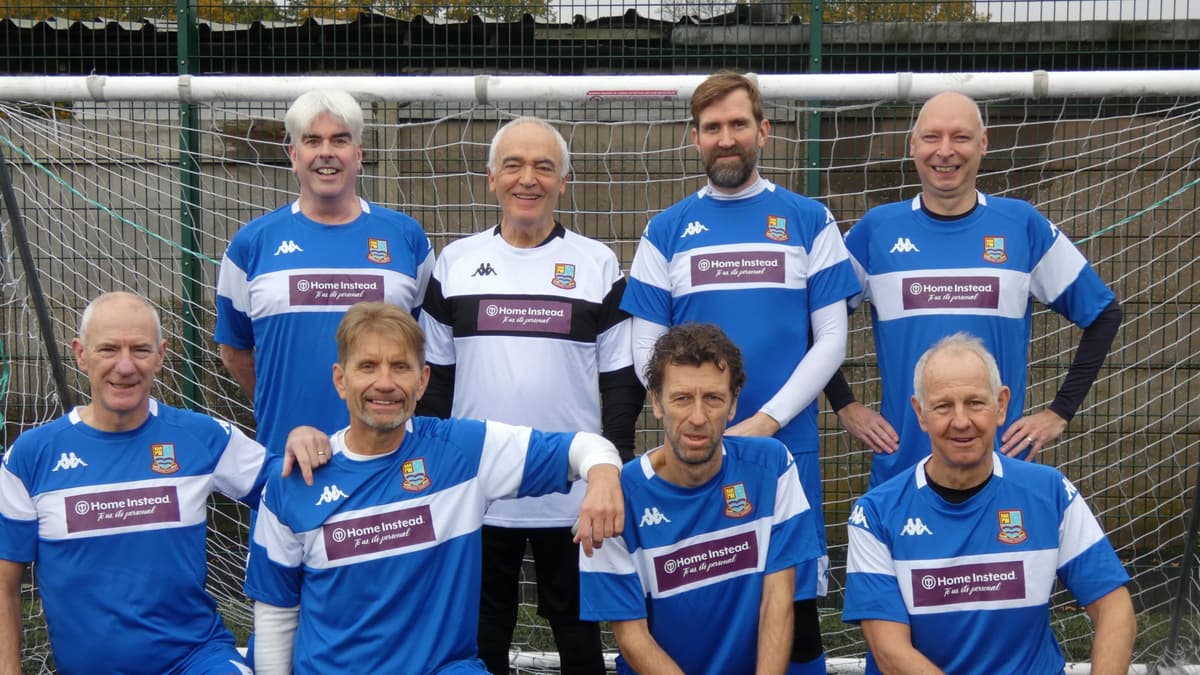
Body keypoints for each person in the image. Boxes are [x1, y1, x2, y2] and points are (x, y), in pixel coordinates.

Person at [620, 70, 861, 673]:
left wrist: (767, 421)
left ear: (764, 131)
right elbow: (643, 348)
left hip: (786, 450)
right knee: (697, 604)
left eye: (737, 124)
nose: (725, 138)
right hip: (695, 455)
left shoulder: (809, 219)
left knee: (793, 616)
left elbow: (832, 338)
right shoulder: (665, 230)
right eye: (712, 128)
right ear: (694, 139)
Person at [244, 302, 624, 674]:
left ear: (422, 380)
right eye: (367, 367)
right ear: (341, 380)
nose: (385, 383)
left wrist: (604, 477)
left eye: (400, 367)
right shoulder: (294, 483)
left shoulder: (463, 452)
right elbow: (276, 614)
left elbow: (583, 447)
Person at [417, 117, 644, 675]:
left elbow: (621, 379)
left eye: (544, 166)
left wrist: (606, 468)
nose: (528, 178)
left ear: (564, 180)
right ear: (491, 177)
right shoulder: (454, 264)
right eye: (514, 165)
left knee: (579, 637)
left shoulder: (599, 265)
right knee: (480, 634)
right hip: (477, 488)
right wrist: (434, 471)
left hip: (573, 493)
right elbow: (433, 382)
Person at [825, 91, 1122, 488]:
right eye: (931, 137)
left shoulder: (1021, 225)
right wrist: (846, 406)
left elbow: (1103, 314)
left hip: (1000, 470)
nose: (945, 151)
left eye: (960, 137)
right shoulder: (876, 231)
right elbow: (813, 321)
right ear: (913, 146)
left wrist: (1058, 413)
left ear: (984, 144)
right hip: (903, 471)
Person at [0, 292, 270, 675]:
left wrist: (306, 442)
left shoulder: (203, 439)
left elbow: (292, 492)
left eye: (140, 350)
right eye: (108, 349)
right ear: (80, 354)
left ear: (161, 355)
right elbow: (4, 584)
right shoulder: (30, 458)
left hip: (195, 661)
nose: (124, 366)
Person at [842, 332, 1135, 674]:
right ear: (920, 414)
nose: (961, 421)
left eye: (975, 403)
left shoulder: (1050, 492)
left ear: (1001, 405)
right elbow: (890, 652)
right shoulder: (875, 512)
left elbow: (1114, 608)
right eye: (943, 406)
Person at [580, 323, 821, 675]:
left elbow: (778, 600)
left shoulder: (773, 466)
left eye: (713, 398)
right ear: (657, 403)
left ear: (734, 404)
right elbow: (632, 638)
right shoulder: (617, 498)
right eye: (681, 398)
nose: (697, 417)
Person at [215, 89, 434, 458]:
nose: (326, 152)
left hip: (386, 460)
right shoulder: (251, 244)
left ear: (359, 154)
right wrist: (282, 404)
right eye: (313, 140)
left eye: (340, 140)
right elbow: (235, 352)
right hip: (288, 456)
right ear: (294, 156)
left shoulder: (407, 238)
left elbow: (423, 344)